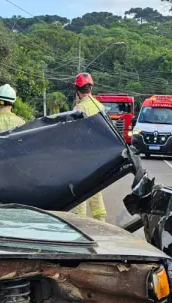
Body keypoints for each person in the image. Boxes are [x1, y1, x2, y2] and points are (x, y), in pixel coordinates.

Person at [69, 72, 107, 222]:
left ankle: (80, 224)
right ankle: (101, 222)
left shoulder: (79, 109)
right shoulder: (101, 106)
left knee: (81, 191)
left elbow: (73, 136)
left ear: (77, 90)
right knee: (96, 190)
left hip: (82, 157)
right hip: (98, 157)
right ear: (90, 88)